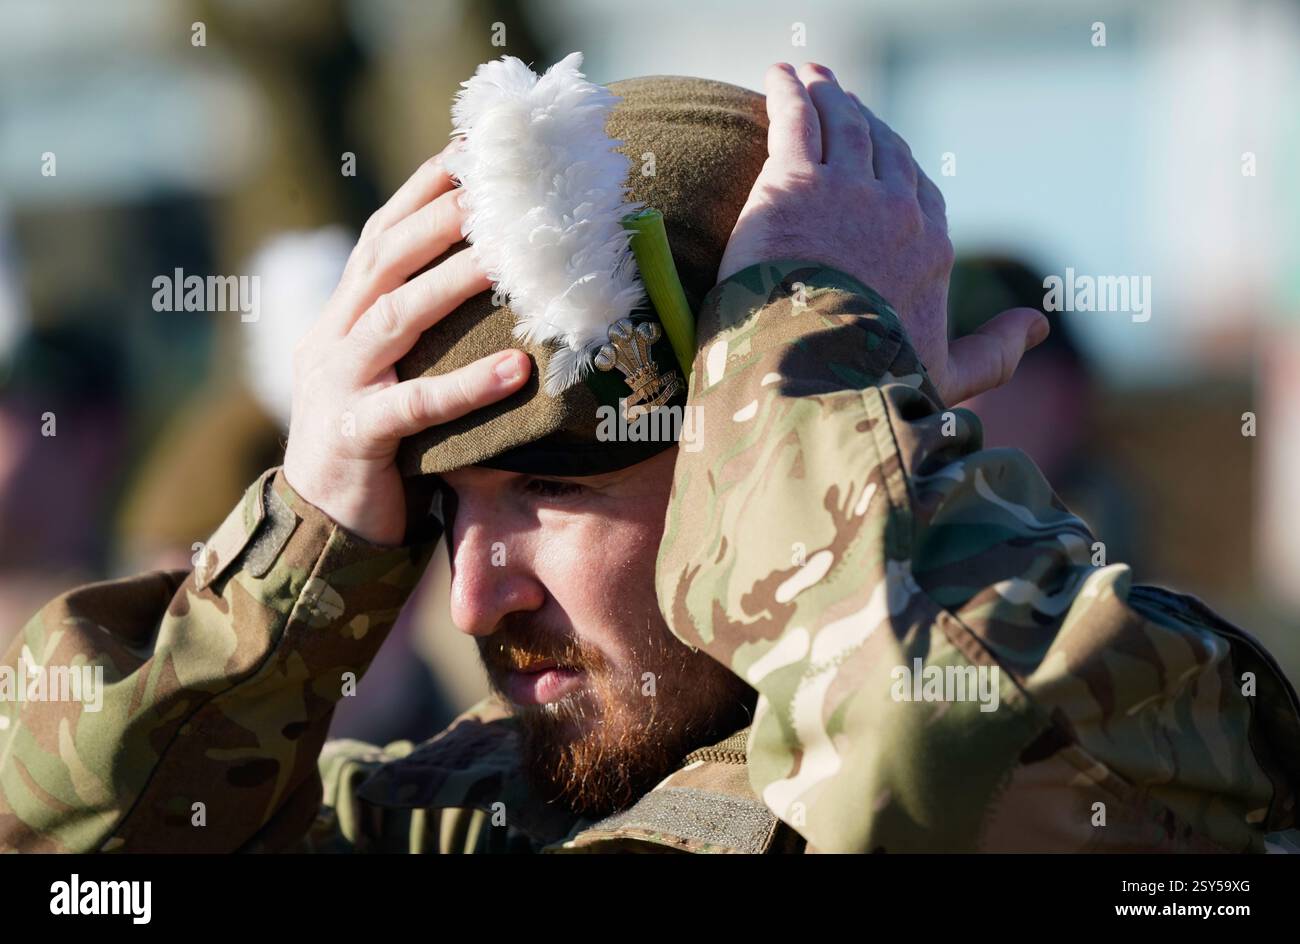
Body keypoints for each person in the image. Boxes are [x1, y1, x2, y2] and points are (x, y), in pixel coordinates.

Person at [1, 60, 1296, 854]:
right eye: (442, 510)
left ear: (754, 458)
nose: (473, 593)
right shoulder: (457, 820)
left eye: (554, 489)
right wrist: (305, 552)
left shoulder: (1145, 718)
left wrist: (811, 366)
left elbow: (930, 750)